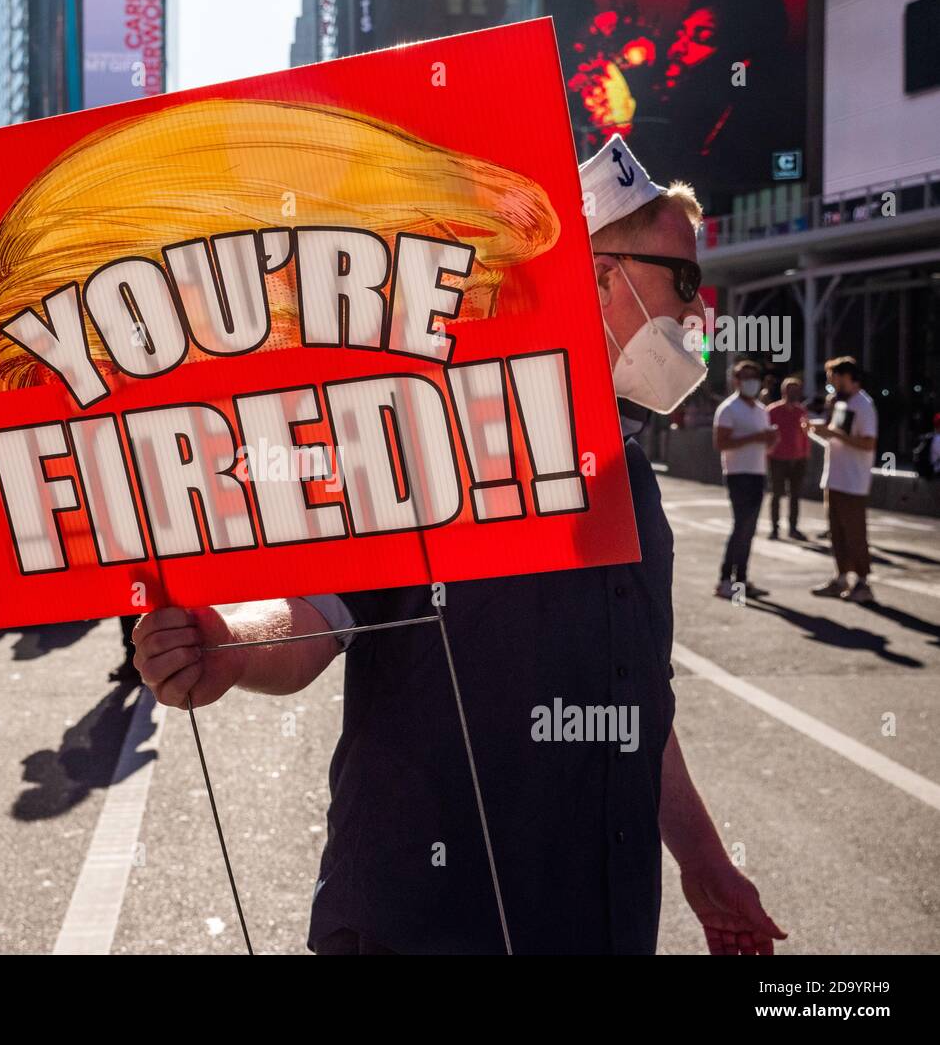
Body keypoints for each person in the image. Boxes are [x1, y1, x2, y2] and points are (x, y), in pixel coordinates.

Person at [132, 135, 784, 955]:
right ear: (598, 278)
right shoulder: (430, 441)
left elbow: (633, 704)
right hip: (421, 926)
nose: (700, 311)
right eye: (683, 280)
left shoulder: (635, 482)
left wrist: (704, 860)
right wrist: (224, 644)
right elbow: (316, 617)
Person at [809, 357, 877, 603]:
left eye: (833, 379)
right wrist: (818, 432)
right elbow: (836, 439)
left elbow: (868, 442)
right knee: (837, 533)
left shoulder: (863, 405)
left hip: (852, 481)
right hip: (835, 479)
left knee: (855, 533)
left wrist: (832, 432)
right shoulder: (842, 404)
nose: (831, 384)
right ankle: (841, 579)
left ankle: (862, 583)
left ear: (846, 377)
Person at [712, 359, 777, 598]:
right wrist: (755, 437)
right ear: (736, 381)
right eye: (745, 378)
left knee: (749, 530)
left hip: (758, 472)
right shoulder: (728, 409)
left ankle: (741, 580)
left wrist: (770, 440)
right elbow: (721, 443)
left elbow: (764, 444)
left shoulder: (761, 410)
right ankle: (724, 580)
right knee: (740, 527)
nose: (751, 382)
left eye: (754, 377)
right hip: (738, 474)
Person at [765, 375, 809, 540]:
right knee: (776, 494)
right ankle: (774, 528)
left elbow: (805, 435)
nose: (794, 393)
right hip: (777, 458)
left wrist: (804, 455)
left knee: (795, 495)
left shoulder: (801, 411)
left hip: (798, 459)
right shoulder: (773, 410)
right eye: (791, 390)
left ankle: (793, 528)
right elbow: (767, 434)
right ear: (784, 391)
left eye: (796, 390)